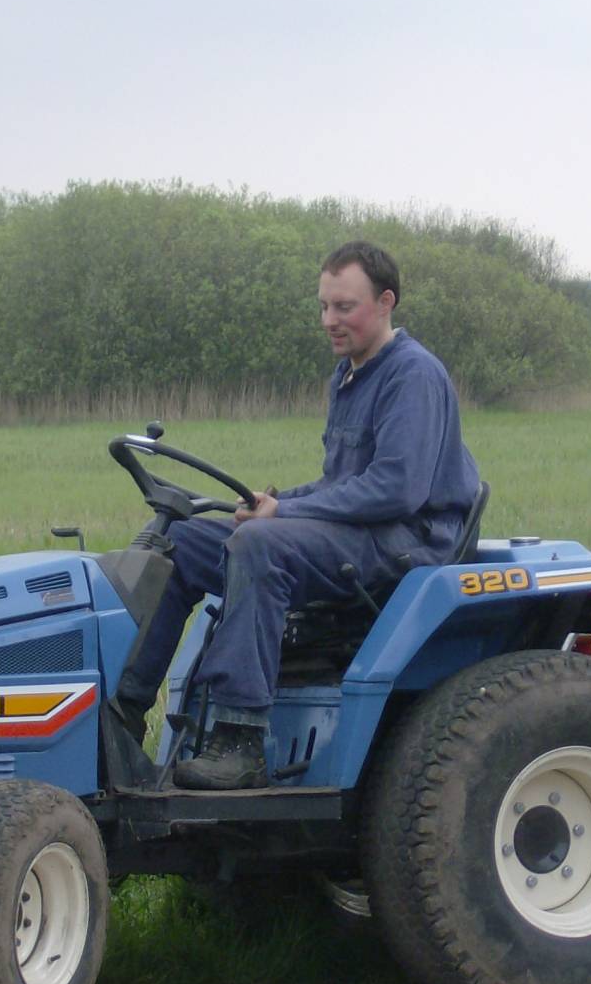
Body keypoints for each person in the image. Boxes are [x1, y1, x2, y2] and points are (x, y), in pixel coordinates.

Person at [111, 240, 482, 789]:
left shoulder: (413, 375)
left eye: (344, 307)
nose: (330, 320)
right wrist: (271, 504)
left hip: (403, 545)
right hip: (359, 533)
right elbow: (343, 484)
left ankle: (240, 741)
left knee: (260, 547)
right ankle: (123, 713)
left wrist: (286, 514)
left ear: (385, 302)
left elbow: (396, 489)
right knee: (185, 542)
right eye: (324, 306)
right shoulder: (348, 375)